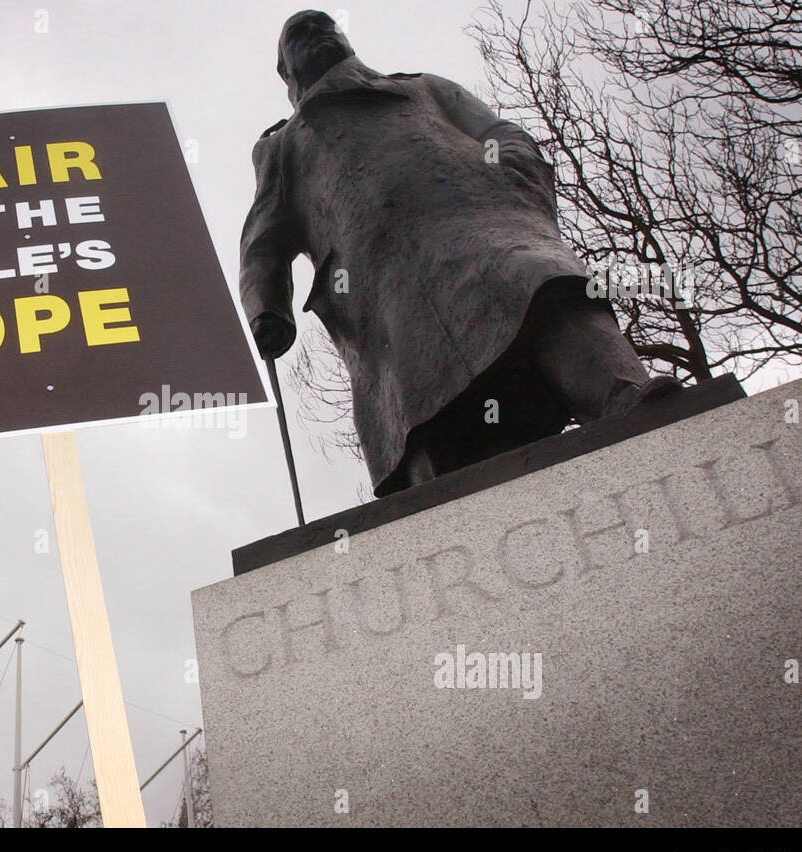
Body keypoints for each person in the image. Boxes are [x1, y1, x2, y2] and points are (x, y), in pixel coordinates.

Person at [242, 10, 681, 496]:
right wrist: (267, 308)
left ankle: (623, 395)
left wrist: (515, 180)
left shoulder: (422, 89)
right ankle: (433, 502)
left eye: (325, 25)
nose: (317, 34)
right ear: (286, 71)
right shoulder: (282, 148)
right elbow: (264, 241)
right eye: (299, 35)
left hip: (481, 226)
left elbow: (501, 133)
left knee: (542, 287)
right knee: (415, 405)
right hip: (380, 291)